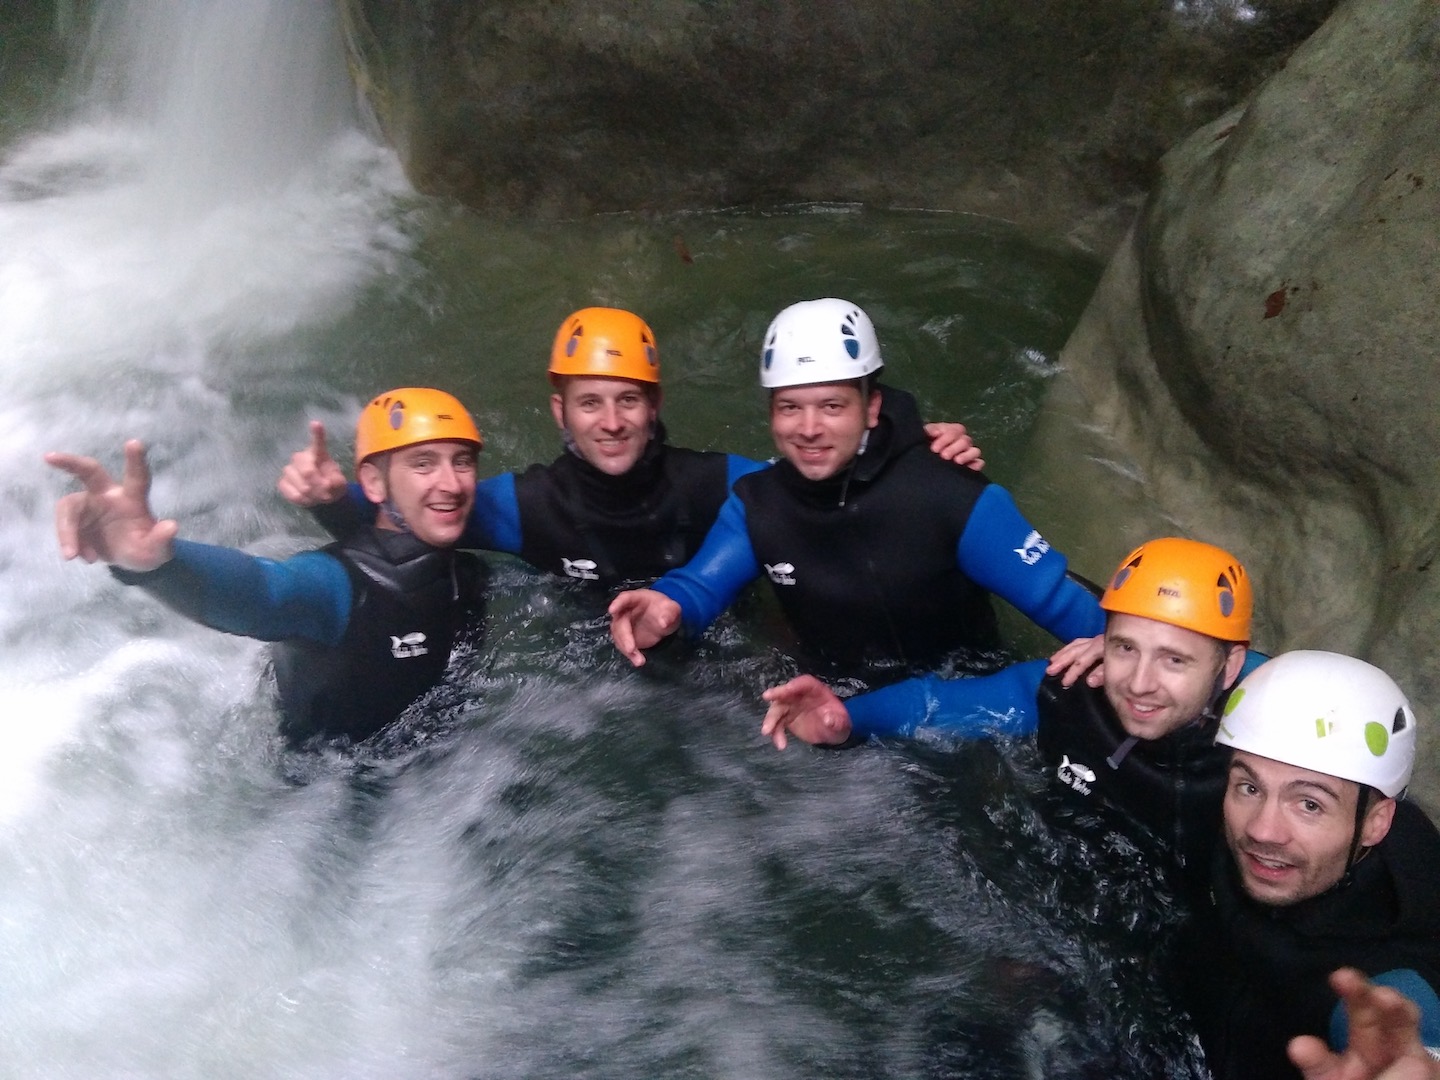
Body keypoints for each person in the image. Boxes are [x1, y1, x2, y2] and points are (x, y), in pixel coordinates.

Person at [279, 307, 984, 590]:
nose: (611, 421)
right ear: (561, 412)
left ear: (655, 408)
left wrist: (908, 446)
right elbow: (408, 526)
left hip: (718, 668)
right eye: (590, 402)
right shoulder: (524, 506)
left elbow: (827, 479)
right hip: (585, 693)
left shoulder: (715, 485)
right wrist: (337, 503)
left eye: (628, 400)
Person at [608, 297, 1104, 678]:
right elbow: (700, 586)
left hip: (967, 704)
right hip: (825, 713)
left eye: (831, 406)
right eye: (789, 408)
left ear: (871, 407)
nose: (808, 428)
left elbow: (1061, 601)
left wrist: (1137, 646)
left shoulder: (949, 494)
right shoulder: (758, 504)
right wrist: (666, 605)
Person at [760, 536, 1258, 875]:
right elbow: (934, 704)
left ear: (1229, 668)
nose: (1141, 683)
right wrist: (847, 720)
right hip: (1067, 879)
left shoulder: (1272, 735)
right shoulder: (1070, 688)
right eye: (1126, 647)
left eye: (1174, 659)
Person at [46, 388, 489, 746]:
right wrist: (158, 564)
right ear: (373, 481)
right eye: (423, 464)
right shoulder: (337, 583)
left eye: (462, 462)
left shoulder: (465, 572)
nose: (450, 484)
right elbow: (266, 592)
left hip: (436, 767)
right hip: (330, 794)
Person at [1175, 650, 1440, 1080]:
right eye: (1248, 786)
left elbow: (1411, 1043)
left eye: (1310, 804)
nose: (1263, 829)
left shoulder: (1392, 972)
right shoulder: (1215, 809)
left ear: (1375, 823)